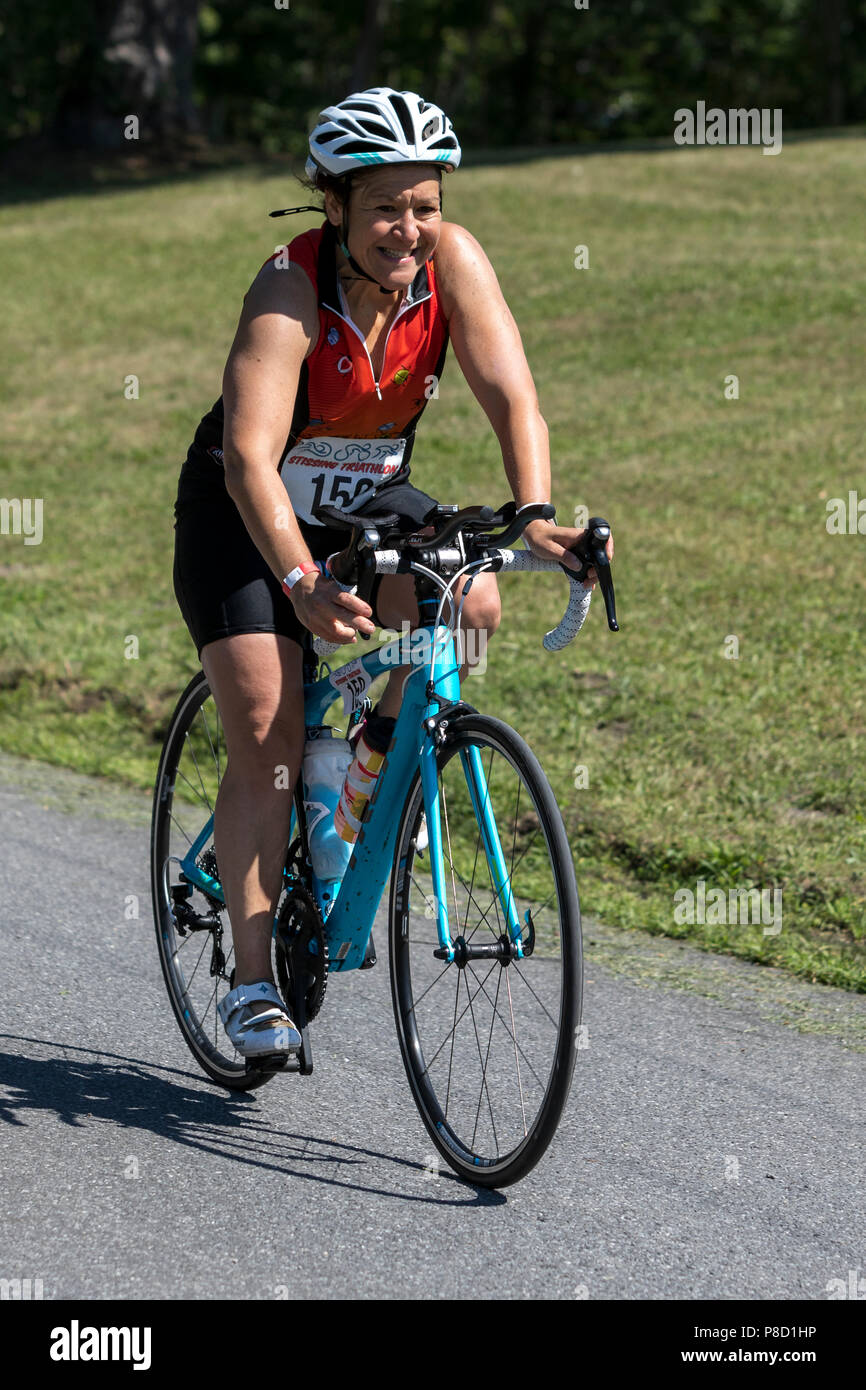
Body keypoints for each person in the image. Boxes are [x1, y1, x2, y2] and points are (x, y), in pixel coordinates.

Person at [172, 86, 610, 1059]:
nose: (407, 229)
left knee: (469, 594)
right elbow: (249, 457)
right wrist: (295, 581)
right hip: (246, 517)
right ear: (334, 204)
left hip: (367, 496)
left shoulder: (449, 264)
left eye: (424, 205)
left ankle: (359, 771)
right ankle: (251, 985)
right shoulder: (290, 287)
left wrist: (535, 516)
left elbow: (510, 393)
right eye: (384, 208)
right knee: (264, 731)